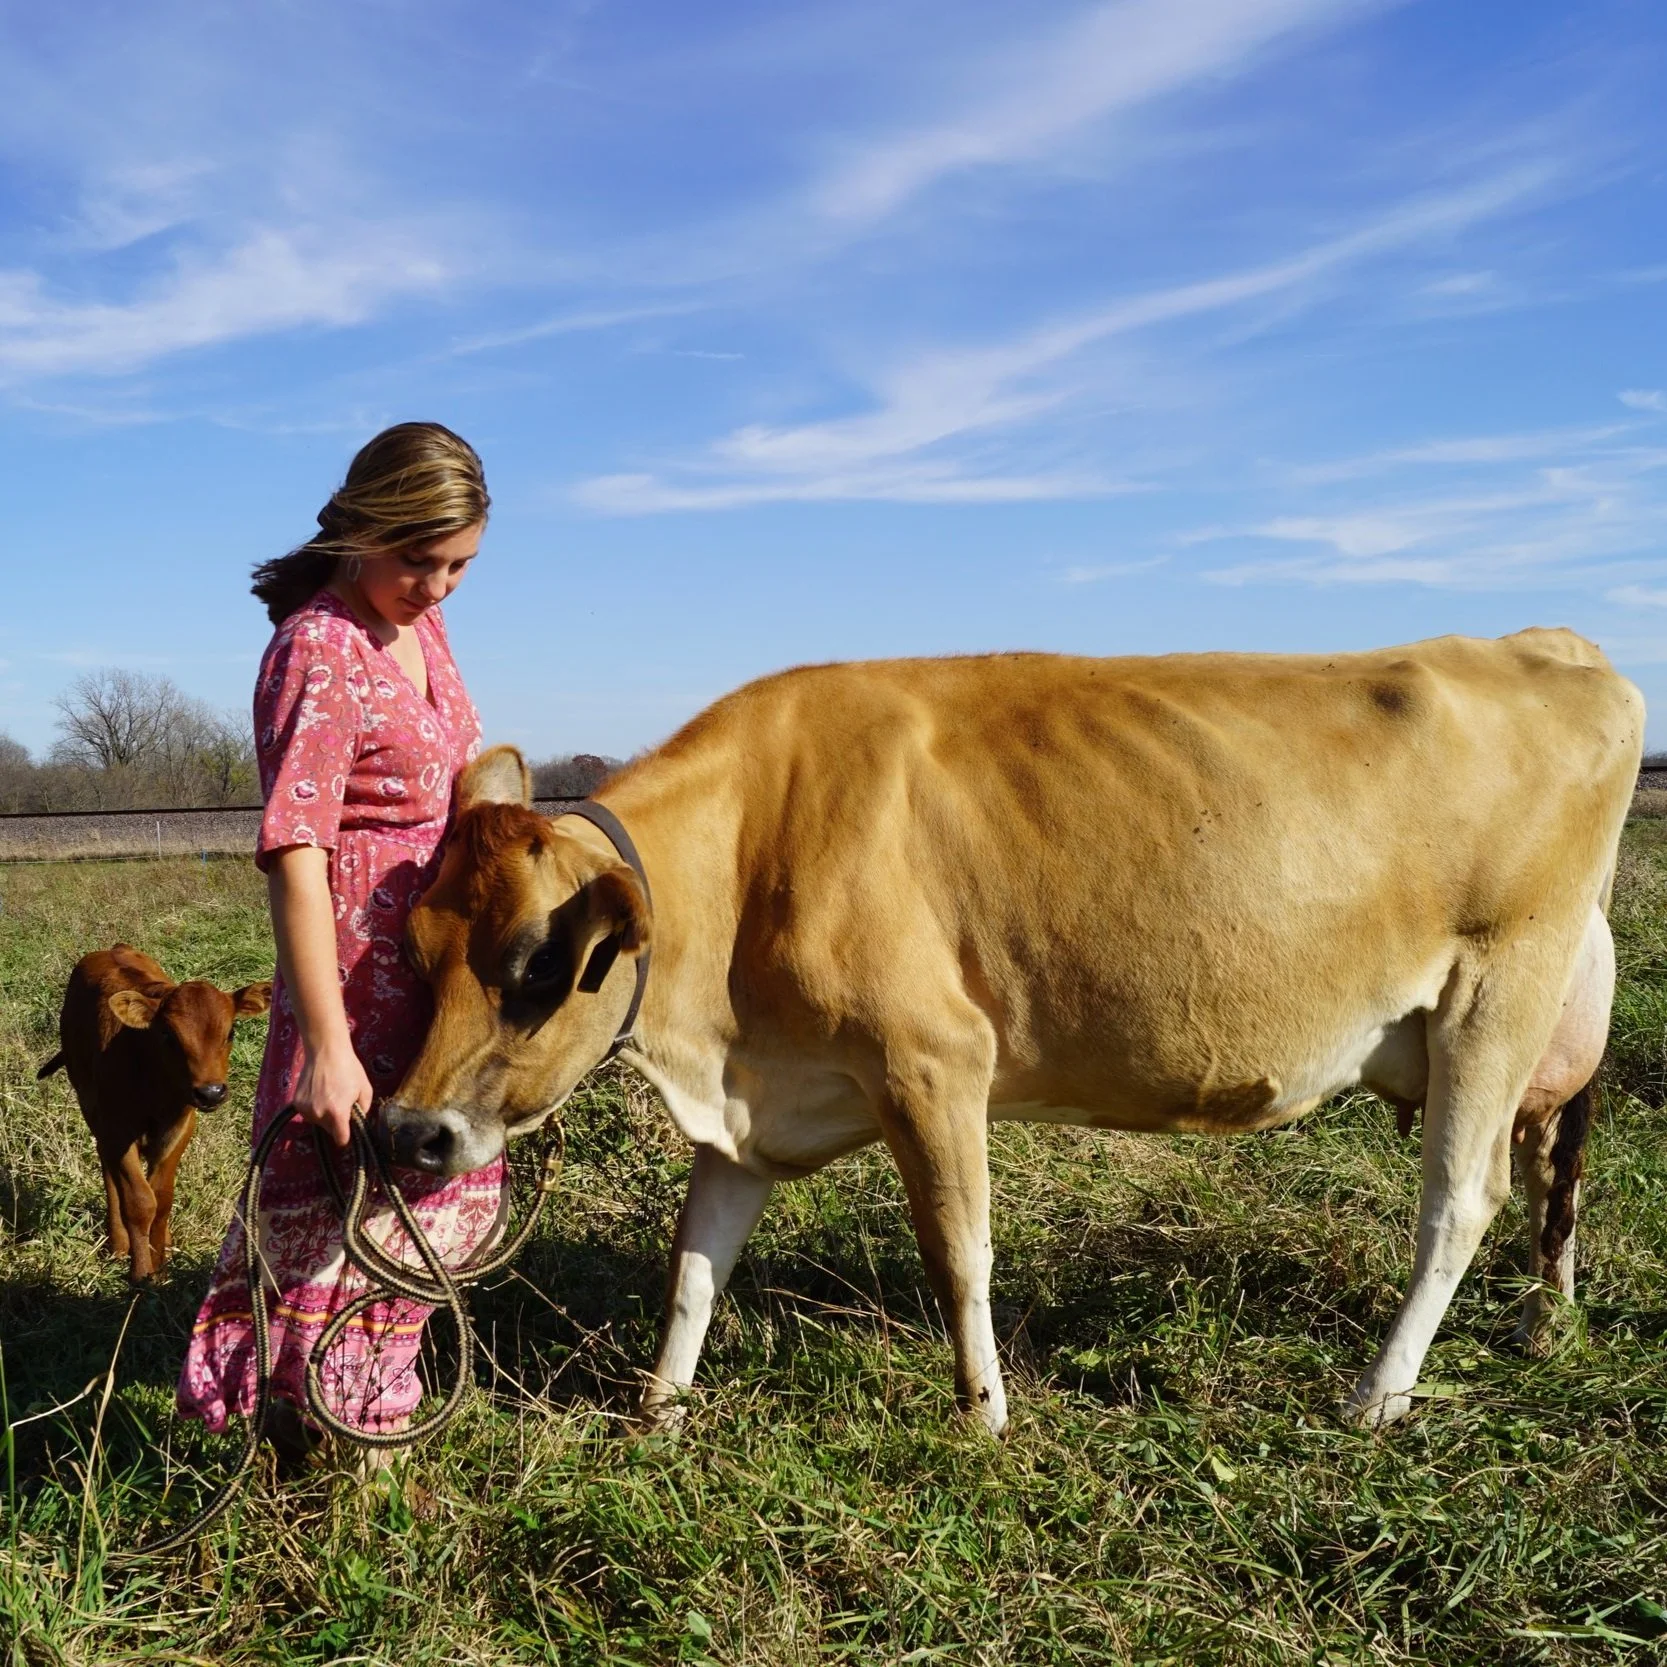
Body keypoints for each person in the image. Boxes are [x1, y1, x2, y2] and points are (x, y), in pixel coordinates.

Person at [178, 422, 505, 1461]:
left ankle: (366, 1414)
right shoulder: (315, 648)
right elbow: (297, 847)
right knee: (333, 1203)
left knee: (417, 1199)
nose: (440, 585)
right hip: (352, 984)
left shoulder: (419, 629)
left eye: (459, 563)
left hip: (429, 977)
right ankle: (301, 1435)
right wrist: (326, 1040)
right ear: (363, 524)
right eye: (420, 558)